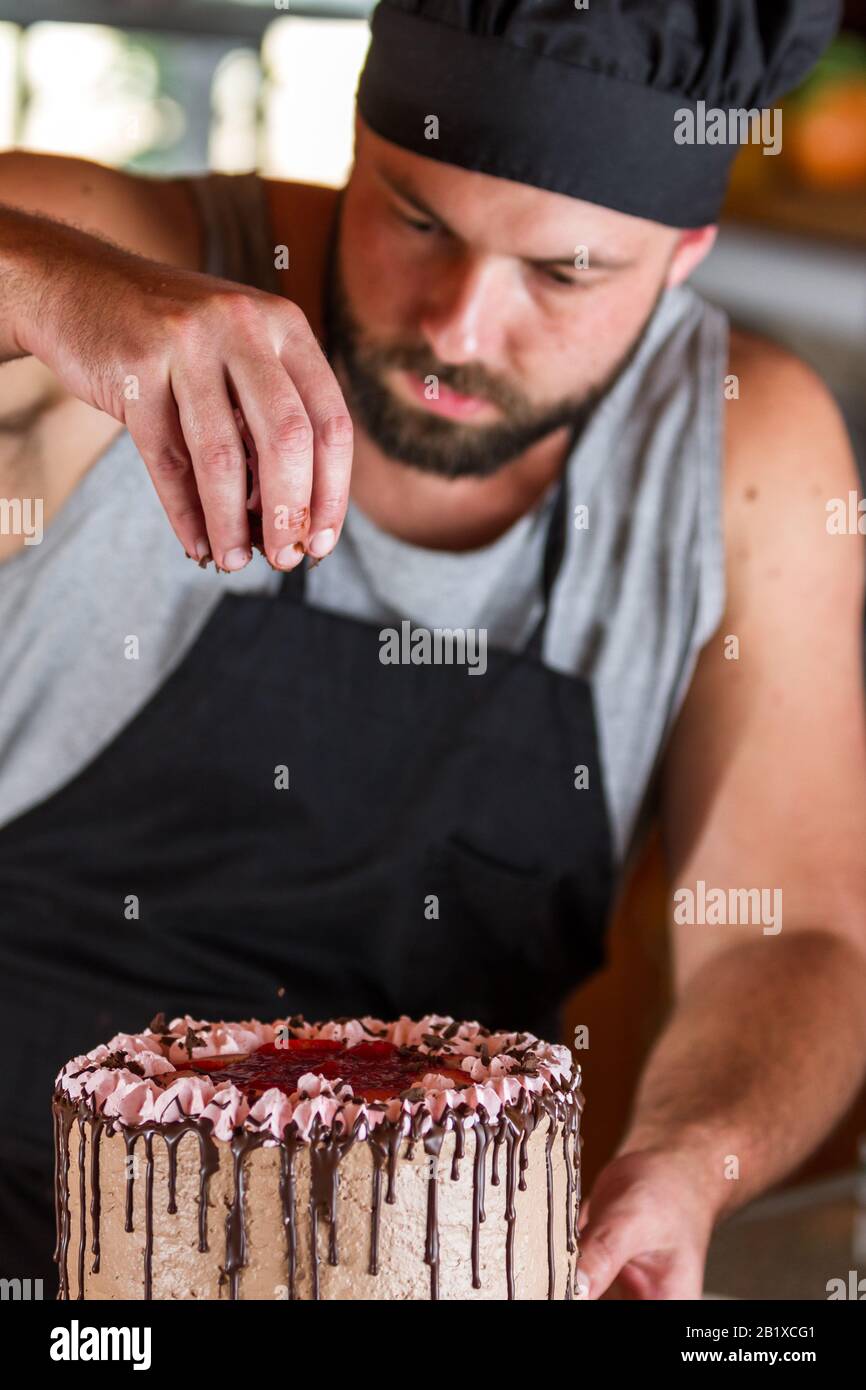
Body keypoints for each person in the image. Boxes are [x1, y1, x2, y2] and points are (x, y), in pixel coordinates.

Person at [1, 0, 864, 1299]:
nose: (458, 326)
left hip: (412, 1266)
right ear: (355, 140)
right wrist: (54, 290)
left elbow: (791, 929)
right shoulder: (140, 258)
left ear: (683, 252)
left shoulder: (743, 454)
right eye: (416, 218)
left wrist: (693, 1154)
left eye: (564, 273)